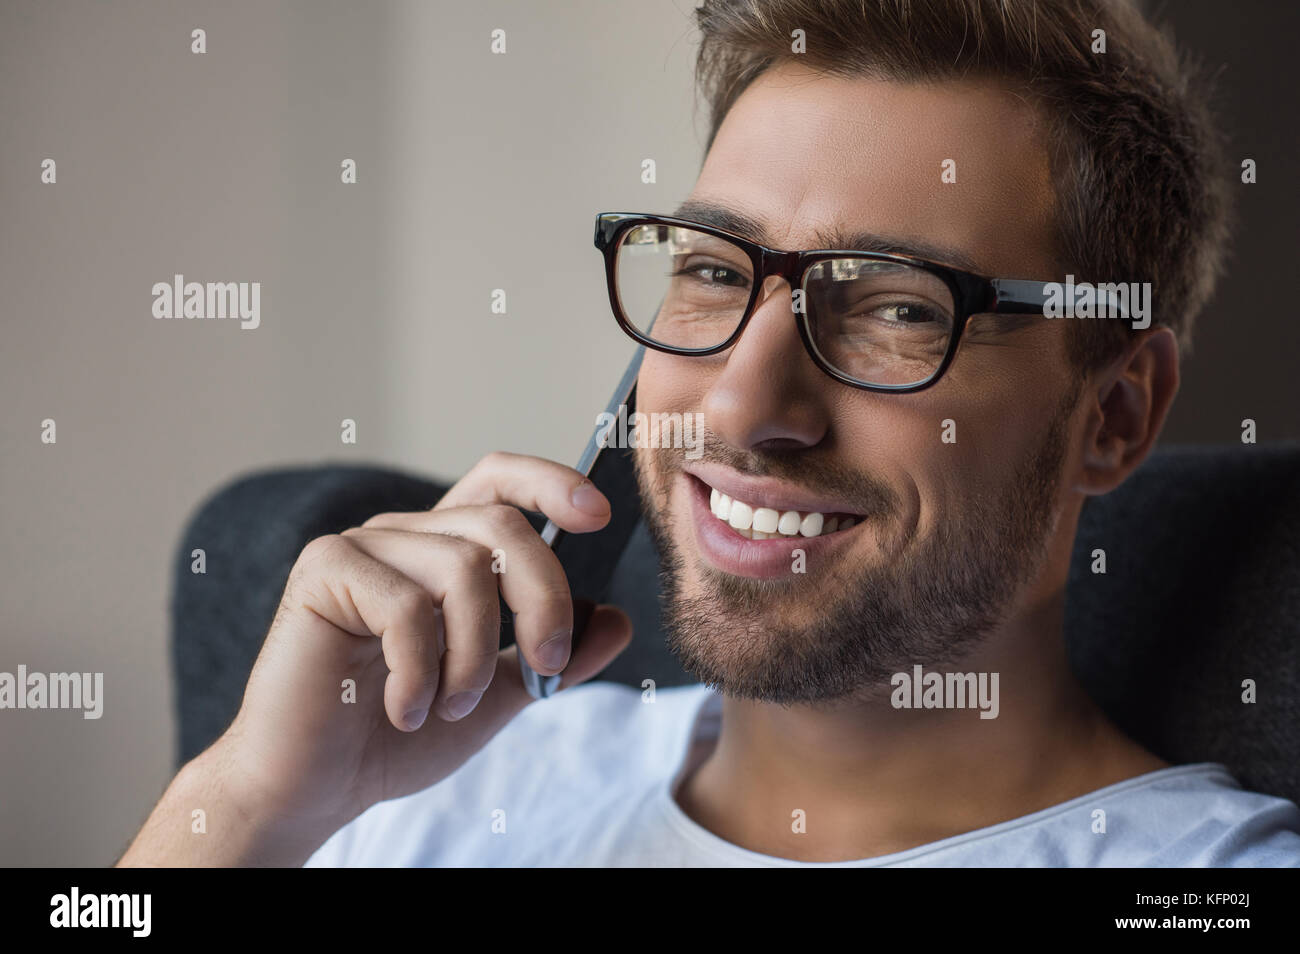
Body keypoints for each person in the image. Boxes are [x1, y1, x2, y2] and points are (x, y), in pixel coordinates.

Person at [119, 0, 1300, 867]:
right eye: (710, 269)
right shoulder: (436, 791)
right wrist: (246, 803)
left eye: (896, 305)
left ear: (1114, 413)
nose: (736, 406)